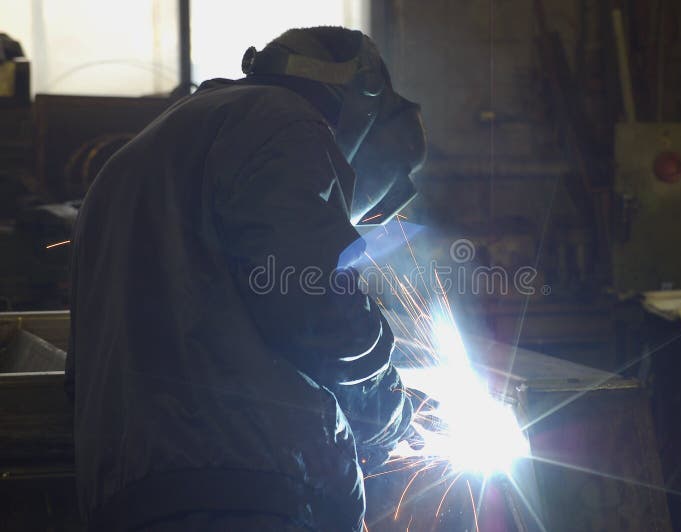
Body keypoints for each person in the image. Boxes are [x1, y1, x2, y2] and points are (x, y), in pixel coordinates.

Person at [65, 26, 427, 531]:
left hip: (127, 492)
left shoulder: (149, 151)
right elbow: (316, 304)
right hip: (247, 487)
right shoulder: (283, 123)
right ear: (361, 100)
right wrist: (386, 407)